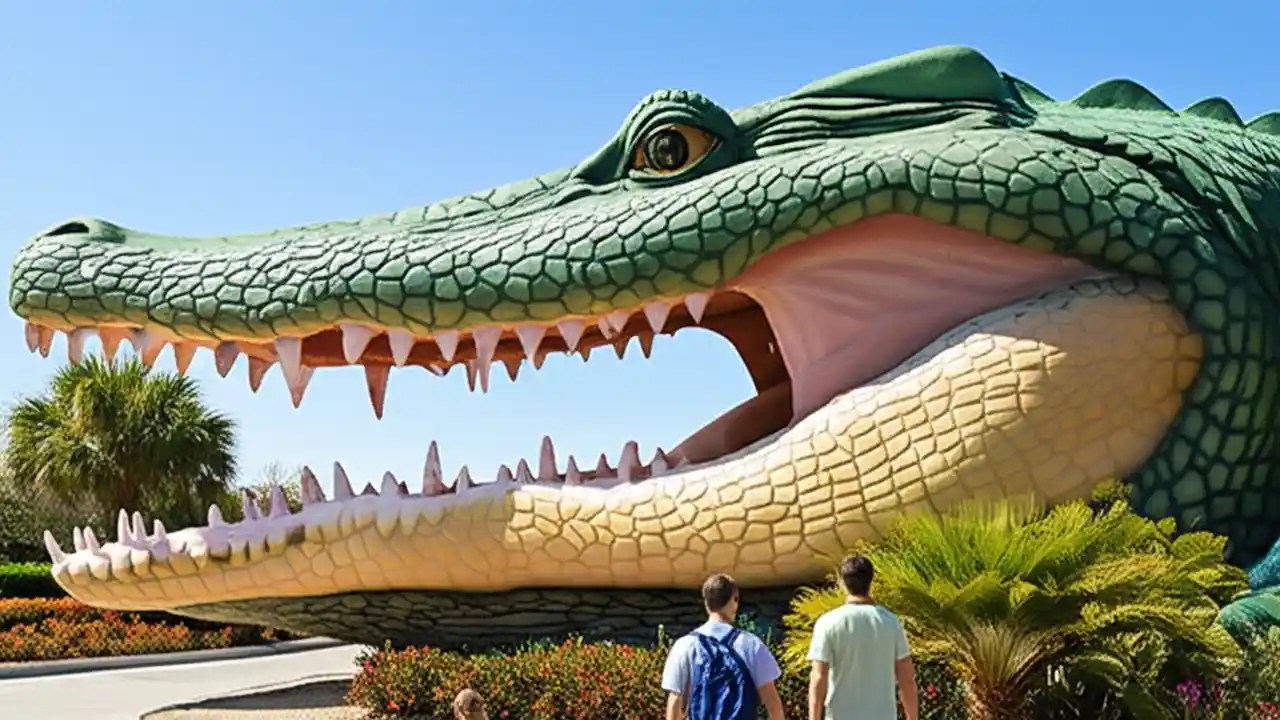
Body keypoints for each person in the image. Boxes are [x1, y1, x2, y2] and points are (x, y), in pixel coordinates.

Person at [661, 573, 787, 720]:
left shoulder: (684, 646)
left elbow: (675, 701)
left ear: (707, 603)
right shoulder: (751, 644)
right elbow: (773, 703)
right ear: (734, 600)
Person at [807, 554, 918, 720]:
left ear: (842, 583)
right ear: (871, 581)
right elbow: (906, 678)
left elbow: (819, 677)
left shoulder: (827, 623)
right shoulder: (890, 622)